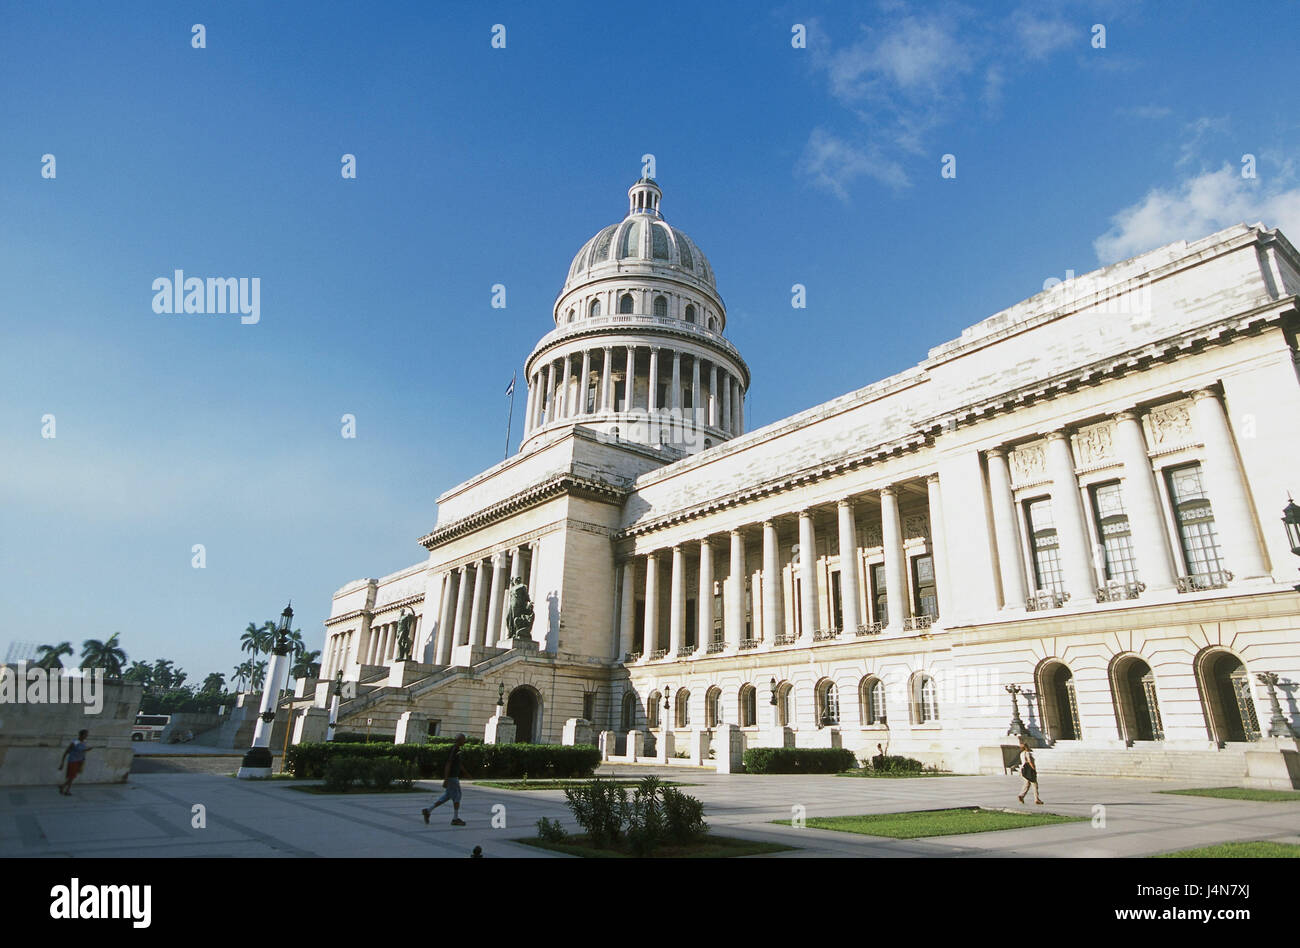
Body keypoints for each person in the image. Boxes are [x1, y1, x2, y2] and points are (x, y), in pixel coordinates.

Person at [423, 733, 474, 826]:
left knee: (447, 796)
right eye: (463, 740)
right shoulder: (454, 750)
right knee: (457, 796)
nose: (465, 741)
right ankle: (455, 819)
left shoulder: (457, 750)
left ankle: (428, 810)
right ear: (459, 740)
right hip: (452, 777)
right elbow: (448, 763)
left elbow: (458, 764)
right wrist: (446, 779)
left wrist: (466, 773)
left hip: (453, 777)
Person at [58, 730, 92, 796]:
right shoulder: (75, 742)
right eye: (85, 734)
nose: (86, 736)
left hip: (79, 761)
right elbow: (66, 752)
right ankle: (66, 789)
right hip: (73, 761)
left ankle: (63, 787)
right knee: (71, 776)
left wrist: (86, 751)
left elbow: (81, 751)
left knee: (72, 777)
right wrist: (62, 763)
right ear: (81, 735)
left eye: (87, 735)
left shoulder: (84, 742)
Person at [1017, 737, 1043, 804]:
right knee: (1034, 784)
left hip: (1023, 770)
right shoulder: (1027, 753)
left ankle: (1021, 795)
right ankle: (1036, 799)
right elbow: (1029, 761)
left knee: (1026, 784)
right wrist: (1033, 769)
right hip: (1029, 770)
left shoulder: (1021, 754)